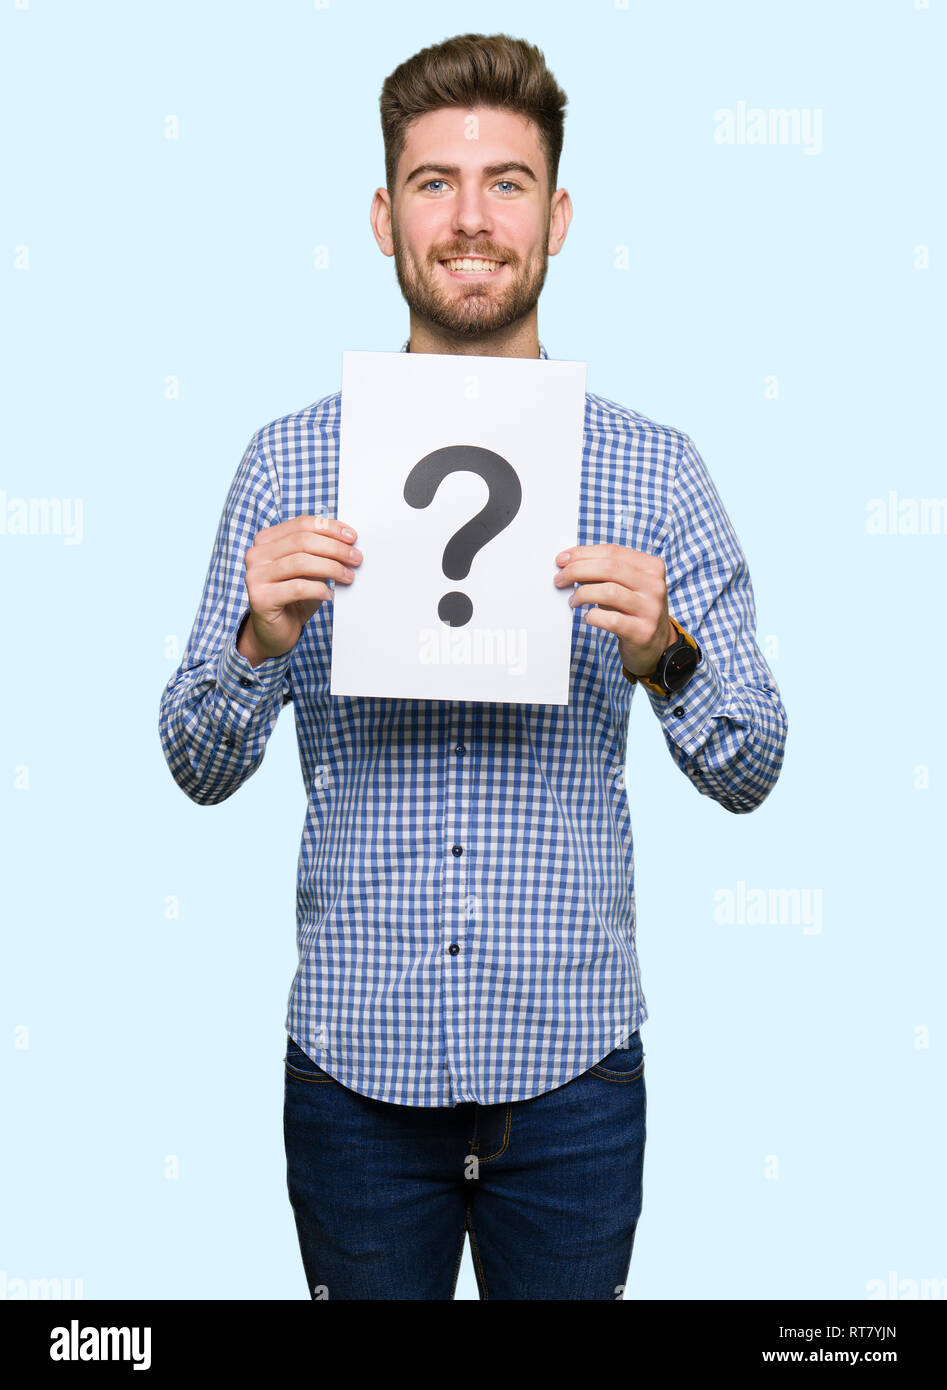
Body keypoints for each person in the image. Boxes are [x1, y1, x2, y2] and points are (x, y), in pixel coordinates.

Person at [158, 32, 788, 1301]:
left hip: (571, 1081)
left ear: (555, 216)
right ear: (385, 216)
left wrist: (664, 652)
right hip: (353, 1074)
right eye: (434, 182)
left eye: (504, 181)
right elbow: (194, 763)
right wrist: (253, 643)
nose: (469, 219)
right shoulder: (287, 463)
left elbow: (751, 764)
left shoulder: (655, 471)